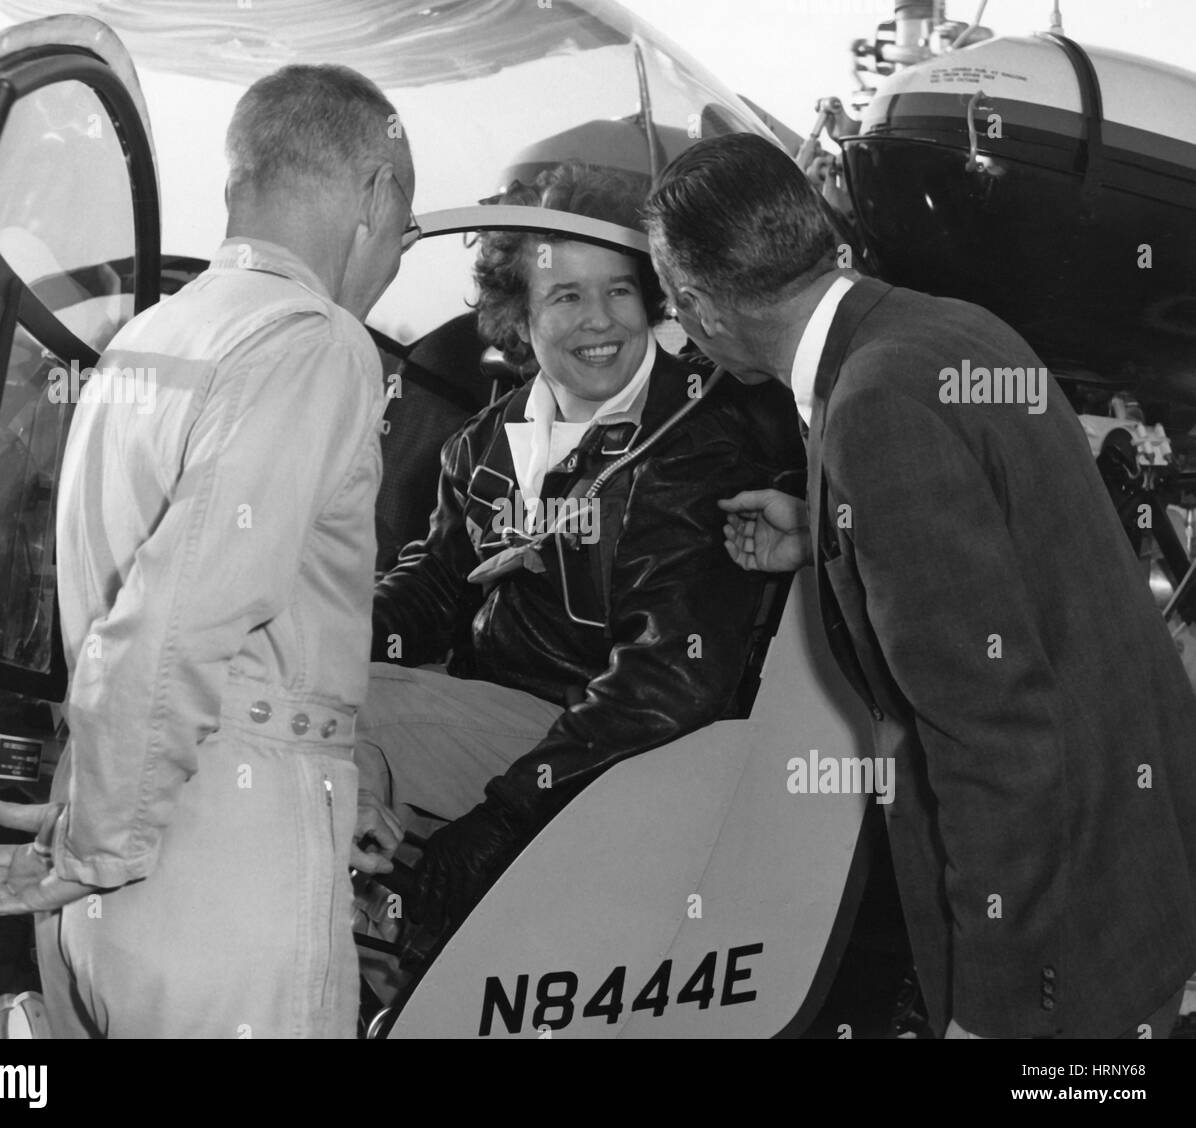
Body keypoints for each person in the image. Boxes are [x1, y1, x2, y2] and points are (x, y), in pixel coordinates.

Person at [644, 131, 1196, 1039]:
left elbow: (995, 738)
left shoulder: (874, 408)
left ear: (699, 305)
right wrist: (828, 533)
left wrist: (994, 1006)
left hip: (1062, 948)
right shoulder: (948, 327)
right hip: (1133, 874)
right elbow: (1029, 549)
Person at [0, 64, 414, 1038]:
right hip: (228, 864)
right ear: (371, 191)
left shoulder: (152, 334)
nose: (400, 246)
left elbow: (113, 618)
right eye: (405, 216)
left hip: (119, 859)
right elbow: (179, 612)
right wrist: (101, 841)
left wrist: (90, 826)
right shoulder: (314, 341)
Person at [359, 162, 805, 937]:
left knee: (331, 702)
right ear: (518, 314)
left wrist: (505, 819)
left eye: (619, 291)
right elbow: (434, 588)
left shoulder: (692, 447)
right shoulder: (489, 440)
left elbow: (666, 688)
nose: (599, 321)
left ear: (654, 298)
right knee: (315, 681)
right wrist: (322, 630)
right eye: (565, 295)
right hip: (519, 730)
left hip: (623, 760)